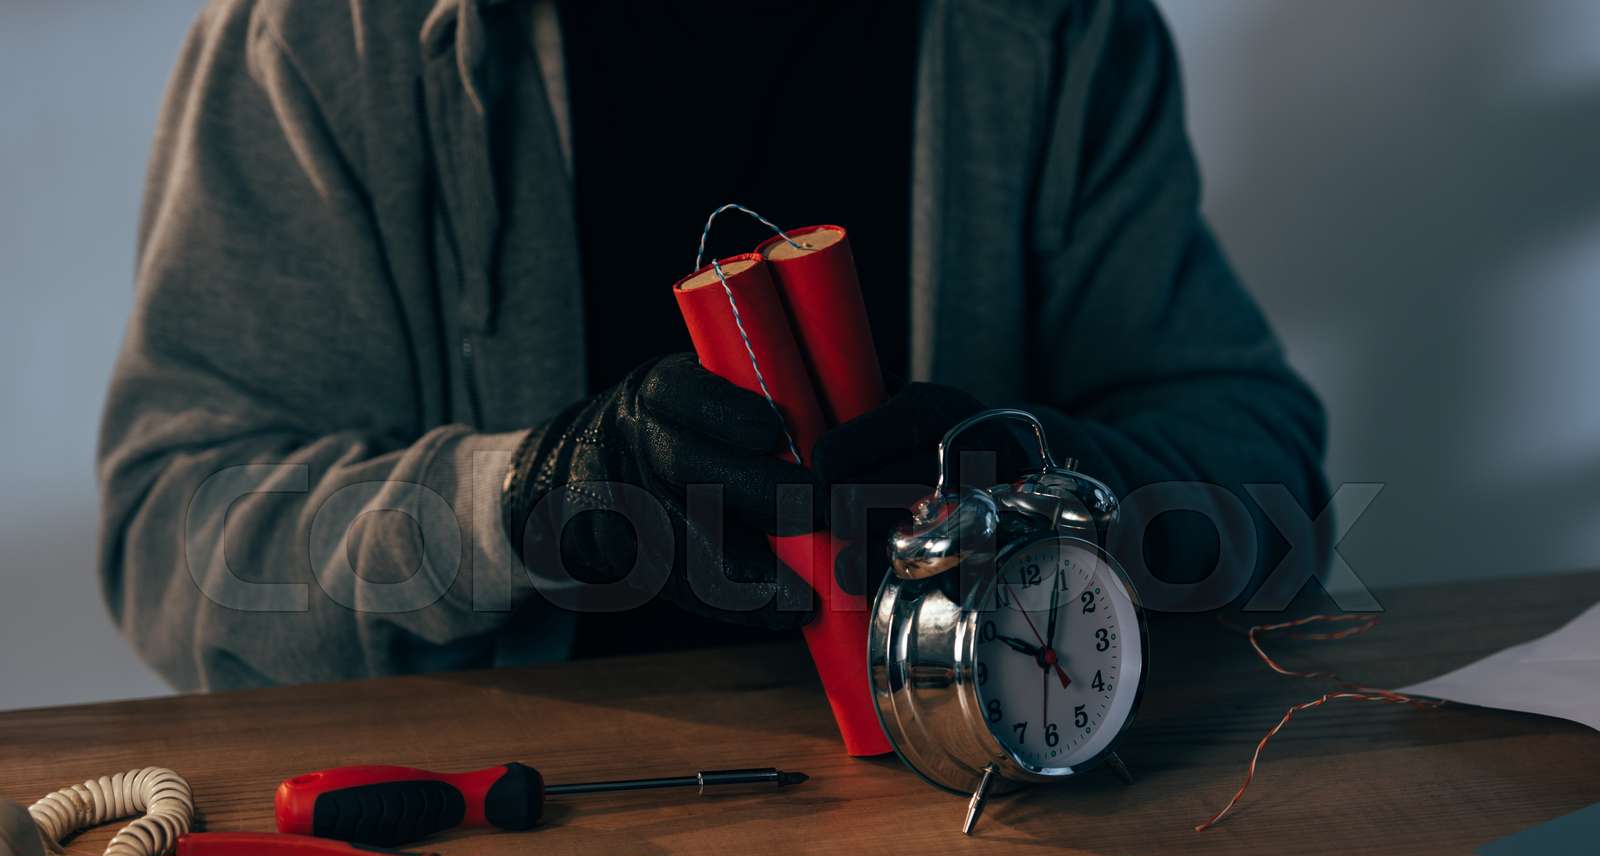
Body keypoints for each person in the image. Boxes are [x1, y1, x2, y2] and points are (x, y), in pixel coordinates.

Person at [99, 0, 1328, 691]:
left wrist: (1048, 492)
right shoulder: (327, 40)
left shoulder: (1052, 35)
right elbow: (176, 543)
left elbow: (1275, 489)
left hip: (997, 822)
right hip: (533, 841)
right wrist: (518, 506)